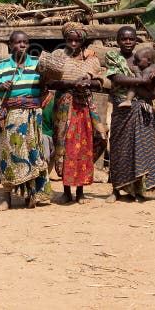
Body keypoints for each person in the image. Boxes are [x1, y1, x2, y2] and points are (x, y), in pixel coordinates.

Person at [0, 31, 51, 210]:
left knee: (33, 154)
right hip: (11, 116)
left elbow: (47, 86)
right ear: (10, 45)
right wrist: (0, 87)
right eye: (18, 42)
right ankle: (7, 198)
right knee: (9, 155)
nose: (22, 45)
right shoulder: (1, 66)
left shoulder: (38, 64)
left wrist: (46, 79)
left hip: (33, 115)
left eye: (25, 42)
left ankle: (31, 196)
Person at [47, 22, 104, 204]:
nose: (73, 43)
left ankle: (80, 191)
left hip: (83, 107)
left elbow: (99, 83)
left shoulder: (91, 59)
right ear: (65, 39)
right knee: (63, 145)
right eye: (69, 40)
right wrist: (71, 84)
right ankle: (66, 191)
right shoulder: (58, 56)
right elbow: (50, 82)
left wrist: (88, 82)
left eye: (77, 40)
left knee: (83, 146)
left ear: (83, 41)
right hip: (64, 107)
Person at [105, 26, 155, 203]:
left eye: (131, 38)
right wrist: (142, 80)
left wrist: (146, 82)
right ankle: (116, 189)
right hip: (122, 108)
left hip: (142, 108)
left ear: (136, 40)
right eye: (124, 38)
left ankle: (139, 190)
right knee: (118, 147)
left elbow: (153, 92)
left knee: (142, 149)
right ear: (118, 41)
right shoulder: (113, 56)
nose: (128, 42)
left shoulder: (143, 59)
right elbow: (116, 78)